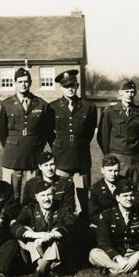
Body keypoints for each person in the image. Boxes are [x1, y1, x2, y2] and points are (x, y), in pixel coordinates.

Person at [48, 69, 97, 218]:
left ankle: (83, 226)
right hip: (61, 158)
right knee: (61, 195)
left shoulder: (89, 107)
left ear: (77, 86)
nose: (70, 89)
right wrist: (60, 145)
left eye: (73, 85)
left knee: (82, 197)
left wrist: (77, 143)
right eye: (66, 86)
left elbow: (88, 133)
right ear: (61, 88)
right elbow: (49, 133)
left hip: (81, 158)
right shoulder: (52, 107)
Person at [0, 68, 52, 196]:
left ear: (30, 83)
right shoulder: (6, 104)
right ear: (15, 83)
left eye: (26, 81)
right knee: (11, 194)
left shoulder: (41, 104)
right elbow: (2, 132)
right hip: (12, 156)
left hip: (33, 155)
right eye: (20, 81)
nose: (23, 84)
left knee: (33, 193)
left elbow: (45, 131)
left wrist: (37, 146)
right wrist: (10, 146)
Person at [90, 180, 139, 276]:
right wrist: (118, 257)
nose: (129, 199)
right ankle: (134, 270)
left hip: (133, 253)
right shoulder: (107, 215)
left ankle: (113, 270)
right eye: (125, 196)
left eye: (131, 195)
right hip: (114, 253)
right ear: (118, 198)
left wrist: (137, 256)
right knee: (94, 254)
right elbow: (103, 241)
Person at [12, 180, 75, 277]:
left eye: (49, 195)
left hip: (58, 251)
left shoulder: (62, 209)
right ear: (37, 197)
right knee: (25, 232)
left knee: (58, 235)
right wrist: (36, 235)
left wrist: (52, 234)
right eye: (43, 196)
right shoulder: (29, 210)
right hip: (36, 247)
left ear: (53, 195)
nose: (46, 199)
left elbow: (71, 225)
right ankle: (48, 269)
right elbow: (15, 225)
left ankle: (40, 270)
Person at [97, 80, 139, 189]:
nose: (130, 95)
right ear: (120, 93)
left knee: (135, 189)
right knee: (117, 189)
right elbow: (102, 136)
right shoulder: (110, 112)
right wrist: (109, 156)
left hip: (135, 158)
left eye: (132, 92)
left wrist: (136, 150)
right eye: (127, 91)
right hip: (117, 157)